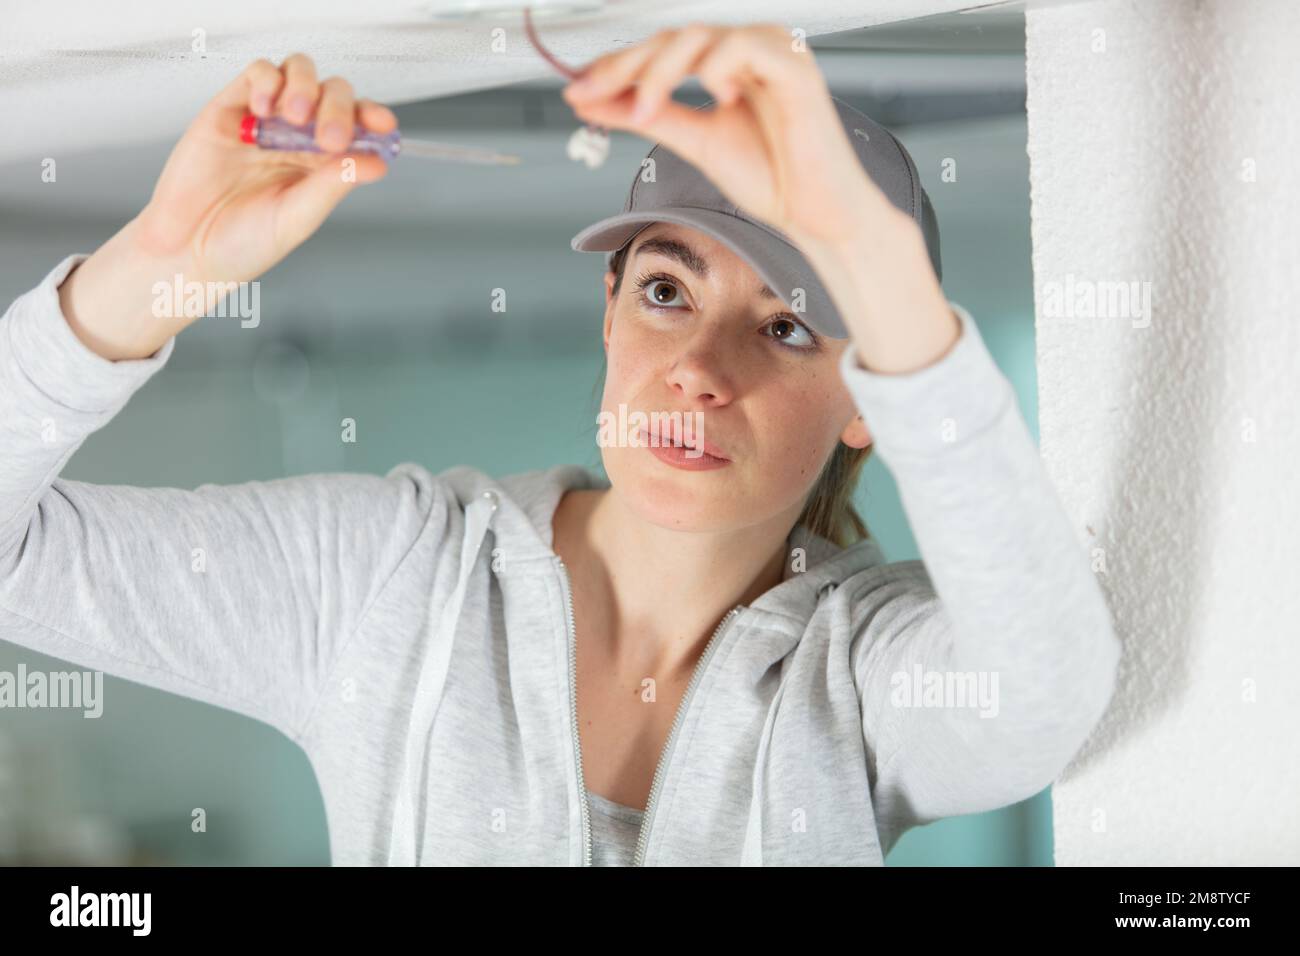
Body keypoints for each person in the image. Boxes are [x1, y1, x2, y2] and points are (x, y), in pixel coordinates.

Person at [0, 23, 1119, 866]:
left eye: (785, 324)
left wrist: (876, 266)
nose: (698, 368)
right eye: (667, 290)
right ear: (607, 308)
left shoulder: (866, 675)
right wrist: (155, 263)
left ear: (868, 393)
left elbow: (1043, 693)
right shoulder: (388, 576)